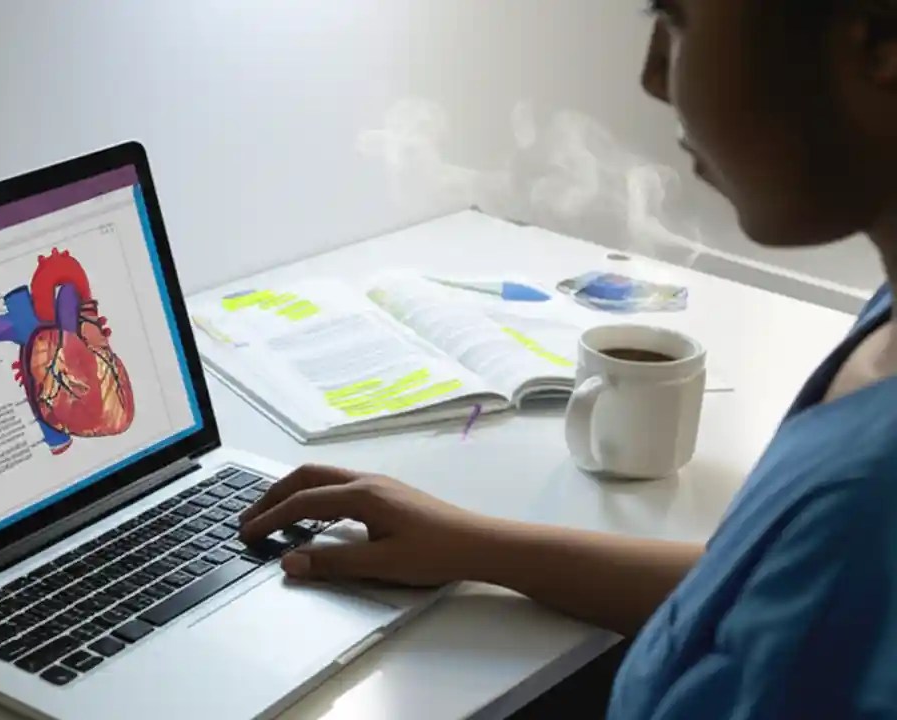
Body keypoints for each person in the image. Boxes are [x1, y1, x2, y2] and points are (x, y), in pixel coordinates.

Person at [240, 1, 897, 717]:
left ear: (881, 45)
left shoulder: (872, 492)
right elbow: (750, 592)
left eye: (675, 19)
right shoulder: (882, 326)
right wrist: (471, 545)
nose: (652, 75)